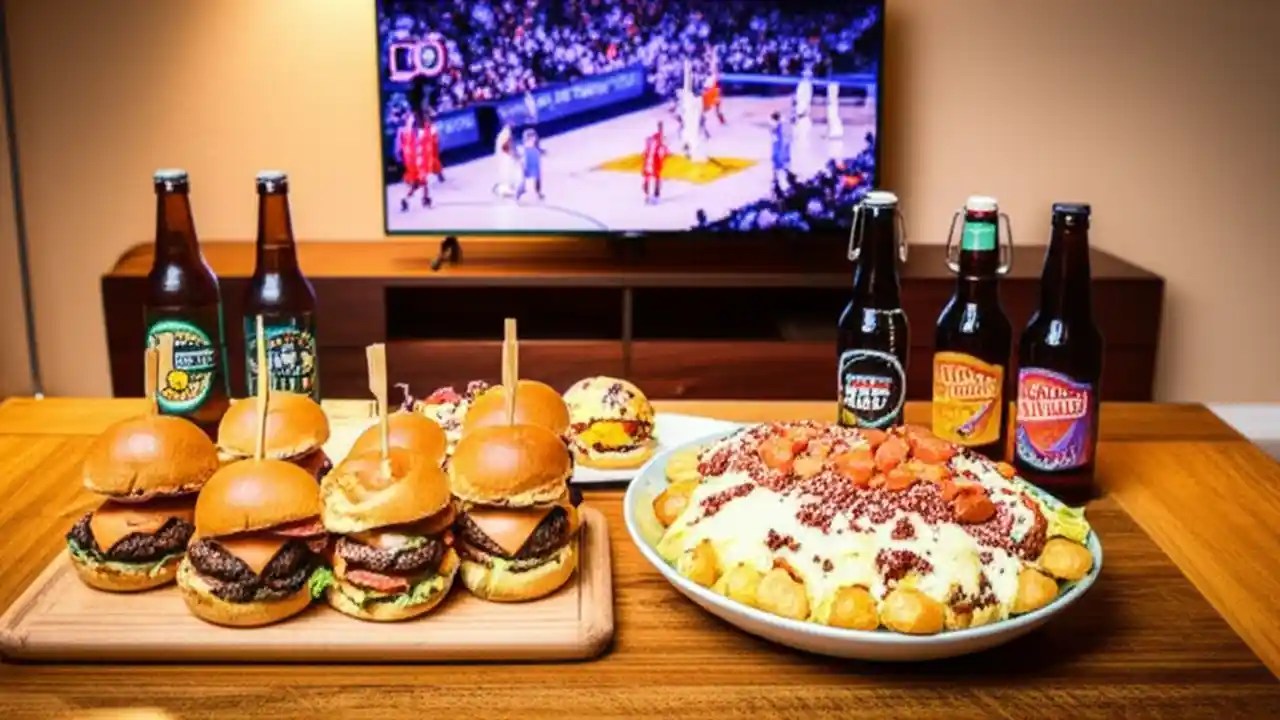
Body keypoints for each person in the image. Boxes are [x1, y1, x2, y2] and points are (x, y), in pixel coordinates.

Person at [395, 109, 431, 210]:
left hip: (409, 160)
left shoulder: (403, 131)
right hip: (415, 159)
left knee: (416, 183)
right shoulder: (413, 132)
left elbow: (399, 149)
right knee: (423, 181)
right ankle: (425, 199)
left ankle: (405, 199)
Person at [642, 121, 669, 205]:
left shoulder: (651, 141)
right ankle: (653, 196)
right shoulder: (654, 141)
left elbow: (646, 151)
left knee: (650, 179)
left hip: (651, 163)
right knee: (653, 179)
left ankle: (652, 196)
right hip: (653, 163)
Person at [516, 127, 545, 202]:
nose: (533, 138)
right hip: (528, 162)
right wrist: (522, 164)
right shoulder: (525, 147)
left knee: (538, 178)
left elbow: (538, 148)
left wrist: (542, 151)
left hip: (535, 161)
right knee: (524, 180)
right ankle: (519, 193)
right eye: (531, 137)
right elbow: (521, 155)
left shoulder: (535, 145)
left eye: (533, 136)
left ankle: (538, 192)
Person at [770, 111, 792, 190]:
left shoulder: (782, 126)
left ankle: (782, 174)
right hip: (780, 155)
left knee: (781, 156)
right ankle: (779, 174)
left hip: (781, 159)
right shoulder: (779, 127)